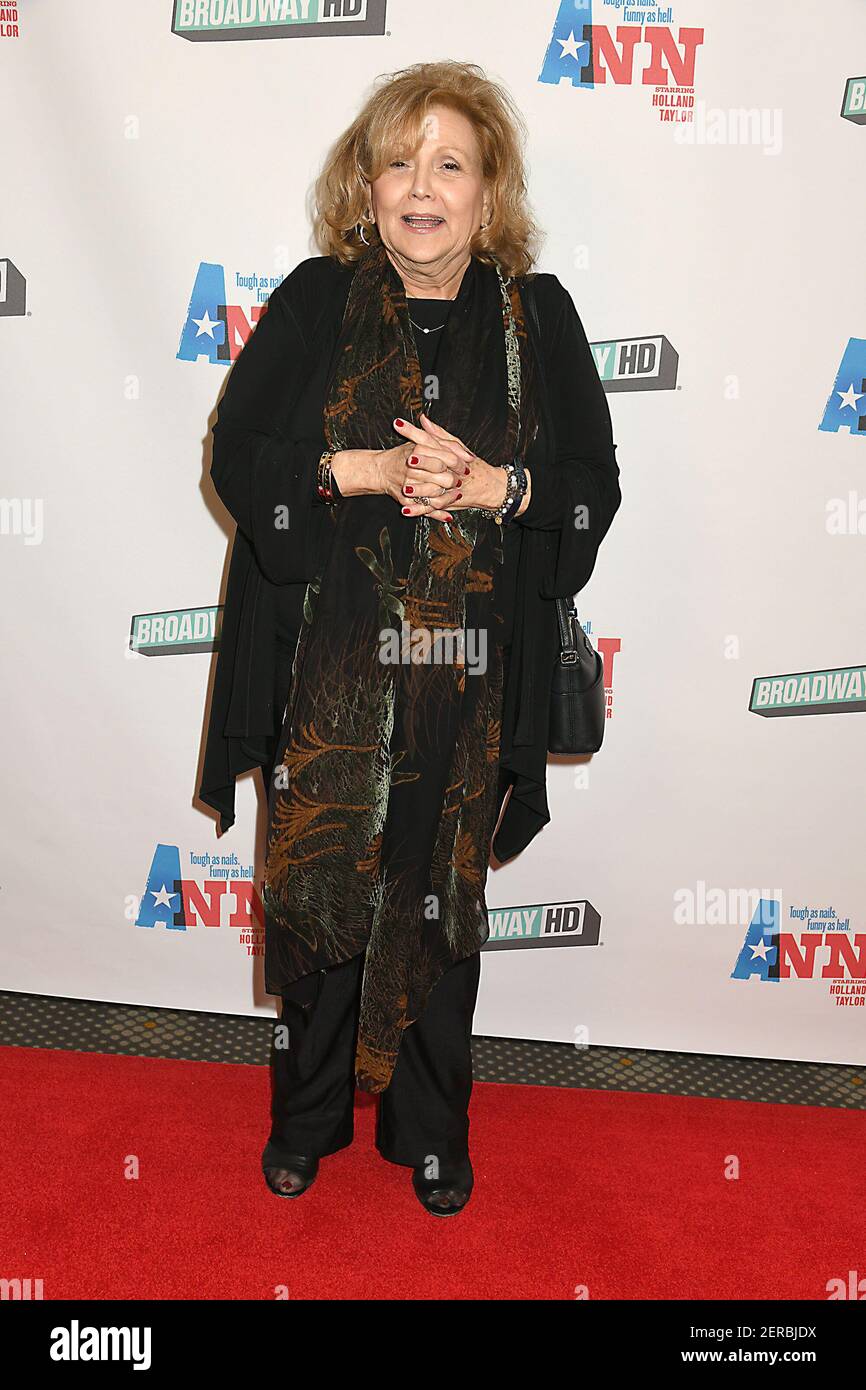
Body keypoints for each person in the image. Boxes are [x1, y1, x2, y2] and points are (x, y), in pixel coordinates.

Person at [198, 60, 621, 1216]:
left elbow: (590, 486)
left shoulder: (538, 316)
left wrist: (498, 487)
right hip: (328, 681)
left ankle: (431, 1131)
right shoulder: (315, 300)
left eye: (450, 163)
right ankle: (307, 1117)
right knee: (328, 893)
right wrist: (362, 471)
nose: (420, 187)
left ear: (489, 194)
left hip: (469, 681)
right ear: (366, 183)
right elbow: (240, 455)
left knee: (440, 904)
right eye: (399, 161)